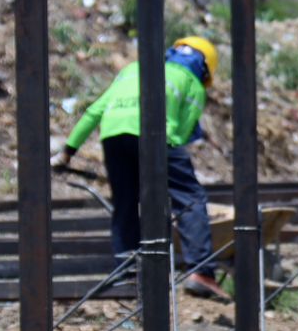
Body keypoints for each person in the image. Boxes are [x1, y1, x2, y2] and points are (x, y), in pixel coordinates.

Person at [54, 35, 231, 302]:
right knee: (190, 199)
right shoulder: (192, 82)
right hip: (156, 135)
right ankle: (201, 271)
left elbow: (94, 112)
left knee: (125, 201)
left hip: (113, 135)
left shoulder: (131, 70)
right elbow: (181, 134)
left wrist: (67, 152)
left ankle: (127, 271)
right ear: (205, 67)